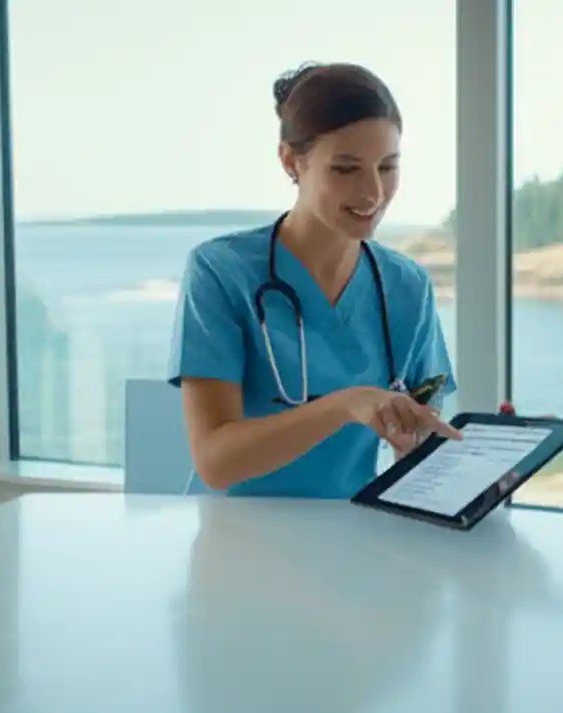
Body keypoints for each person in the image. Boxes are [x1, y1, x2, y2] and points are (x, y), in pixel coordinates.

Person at [167, 62, 460, 498]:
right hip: (236, 541)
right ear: (291, 160)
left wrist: (478, 465)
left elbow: (419, 448)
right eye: (346, 168)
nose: (373, 194)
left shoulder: (407, 286)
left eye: (387, 167)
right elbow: (215, 462)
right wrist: (346, 405)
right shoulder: (220, 272)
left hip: (353, 536)